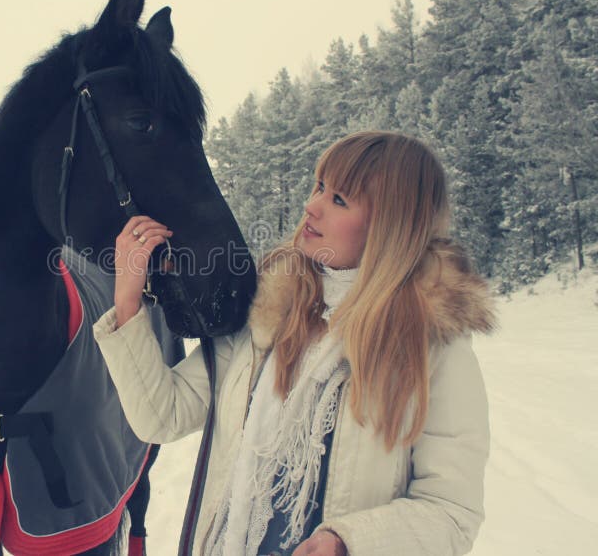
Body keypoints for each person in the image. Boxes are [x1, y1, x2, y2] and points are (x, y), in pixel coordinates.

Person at [93, 131, 495, 556]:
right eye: (319, 186)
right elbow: (162, 415)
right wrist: (127, 299)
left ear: (389, 227)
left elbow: (451, 512)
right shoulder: (268, 309)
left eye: (339, 200)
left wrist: (349, 542)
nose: (312, 205)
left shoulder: (430, 347)